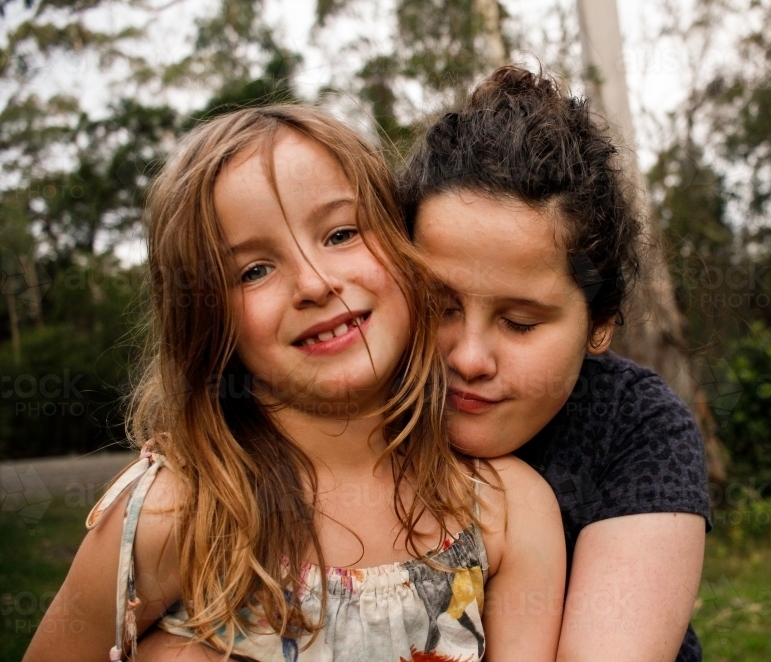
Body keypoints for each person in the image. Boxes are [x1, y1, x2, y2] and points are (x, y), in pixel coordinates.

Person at [23, 104, 565, 662]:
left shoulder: (504, 511)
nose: (314, 282)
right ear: (208, 321)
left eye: (341, 233)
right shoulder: (182, 513)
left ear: (406, 250)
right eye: (253, 270)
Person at [397, 66, 712, 661]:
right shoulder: (356, 408)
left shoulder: (637, 428)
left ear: (599, 325)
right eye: (437, 306)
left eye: (520, 323)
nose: (468, 358)